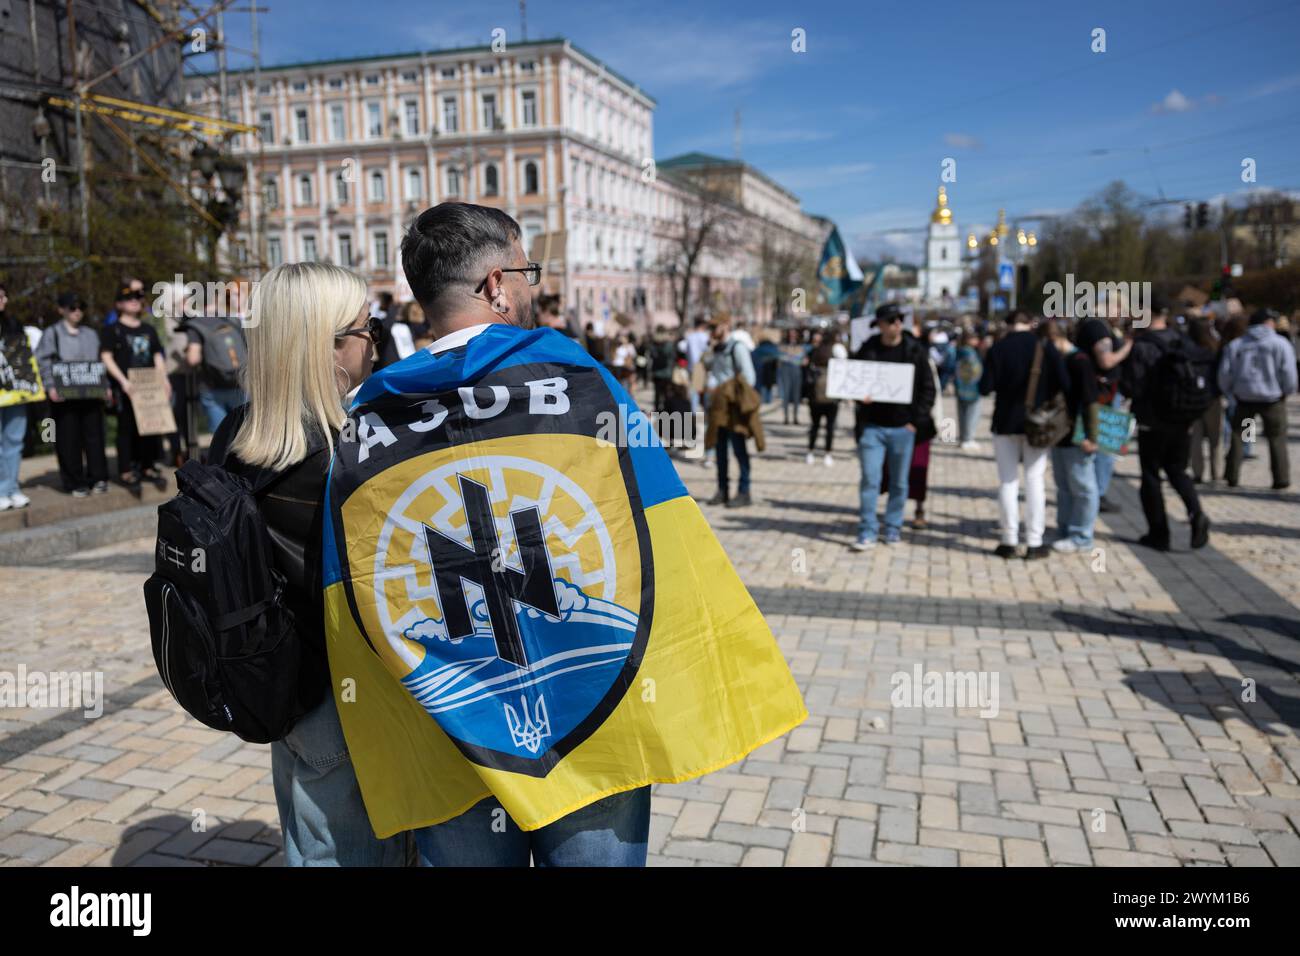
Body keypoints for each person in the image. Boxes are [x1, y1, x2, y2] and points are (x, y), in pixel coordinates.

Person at [394, 201, 653, 865]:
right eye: (527, 269)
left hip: (448, 722)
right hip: (588, 710)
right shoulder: (580, 383)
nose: (534, 284)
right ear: (495, 287)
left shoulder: (374, 414)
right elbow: (654, 533)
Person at [206, 261, 403, 866]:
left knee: (306, 834)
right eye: (367, 330)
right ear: (330, 346)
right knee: (350, 852)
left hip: (277, 675)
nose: (377, 344)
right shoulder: (359, 442)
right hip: (353, 685)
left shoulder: (238, 432)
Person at [1120, 296, 1211, 551]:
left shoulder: (1143, 346)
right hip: (1182, 417)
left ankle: (1159, 533)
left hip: (1153, 419)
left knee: (1150, 476)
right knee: (1177, 470)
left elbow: (1132, 386)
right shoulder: (1181, 340)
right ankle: (1196, 513)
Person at [978, 309, 1066, 559]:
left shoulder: (998, 349)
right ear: (1029, 323)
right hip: (1038, 424)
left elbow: (985, 388)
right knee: (1035, 479)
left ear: (1007, 324)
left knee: (1007, 481)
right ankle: (1035, 542)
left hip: (1005, 422)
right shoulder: (1043, 347)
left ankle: (1008, 540)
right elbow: (1064, 382)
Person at [851, 303, 935, 550]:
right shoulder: (868, 349)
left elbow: (928, 389)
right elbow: (852, 379)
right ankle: (867, 530)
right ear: (880, 325)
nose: (897, 323)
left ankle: (893, 528)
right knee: (870, 479)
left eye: (900, 319)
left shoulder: (914, 351)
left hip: (902, 427)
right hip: (872, 426)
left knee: (899, 482)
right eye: (891, 320)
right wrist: (859, 396)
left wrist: (914, 422)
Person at [34, 293, 110, 497]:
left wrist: (106, 386)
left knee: (94, 437)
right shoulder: (52, 333)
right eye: (72, 307)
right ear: (61, 310)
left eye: (81, 307)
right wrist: (50, 386)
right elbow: (42, 361)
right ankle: (74, 481)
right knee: (68, 438)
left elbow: (100, 364)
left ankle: (98, 477)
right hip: (65, 395)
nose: (77, 311)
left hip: (91, 394)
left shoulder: (91, 334)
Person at [100, 283, 170, 488]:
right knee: (126, 429)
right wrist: (122, 381)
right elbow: (106, 356)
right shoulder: (112, 330)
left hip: (149, 386)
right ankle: (126, 470)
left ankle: (147, 466)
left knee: (150, 428)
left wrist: (163, 379)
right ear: (119, 304)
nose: (134, 301)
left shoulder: (148, 328)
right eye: (129, 297)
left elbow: (157, 355)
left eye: (138, 297)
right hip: (126, 387)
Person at [1219, 308, 1297, 491]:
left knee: (1240, 435)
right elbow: (1288, 372)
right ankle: (1281, 478)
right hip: (1272, 398)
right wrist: (1287, 391)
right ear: (1268, 322)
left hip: (1245, 398)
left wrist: (1230, 392)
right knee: (1276, 438)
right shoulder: (1280, 343)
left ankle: (1232, 475)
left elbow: (1225, 373)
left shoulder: (1237, 344)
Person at [1044, 320, 1100, 553]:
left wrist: (1091, 436)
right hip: (1060, 434)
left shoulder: (1080, 362)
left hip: (1077, 435)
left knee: (1083, 486)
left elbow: (1090, 402)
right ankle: (1066, 527)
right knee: (1064, 485)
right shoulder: (1061, 360)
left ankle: (1081, 535)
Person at [1075, 309, 1132, 513]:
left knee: (1104, 448)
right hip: (1105, 396)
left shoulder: (1099, 326)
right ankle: (1097, 494)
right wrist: (1127, 347)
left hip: (1104, 394)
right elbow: (1106, 360)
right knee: (1105, 449)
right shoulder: (1098, 328)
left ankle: (1095, 493)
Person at [703, 315, 759, 508]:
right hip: (718, 409)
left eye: (714, 326)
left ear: (725, 325)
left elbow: (750, 378)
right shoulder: (716, 348)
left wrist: (729, 391)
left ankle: (744, 491)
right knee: (719, 451)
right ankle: (722, 490)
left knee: (739, 450)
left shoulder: (737, 348)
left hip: (733, 408)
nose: (711, 331)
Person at [0, 282, 39, 511]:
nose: (1, 300)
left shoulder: (13, 324)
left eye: (3, 296)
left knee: (14, 440)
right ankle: (2, 489)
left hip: (15, 393)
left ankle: (12, 487)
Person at [183, 301, 248, 434]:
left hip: (212, 388)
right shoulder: (233, 321)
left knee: (221, 433)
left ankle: (223, 455)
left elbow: (193, 359)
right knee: (243, 431)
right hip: (240, 384)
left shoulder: (196, 325)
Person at [1187, 317, 1223, 484]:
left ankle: (1198, 472)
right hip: (1213, 398)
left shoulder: (1186, 349)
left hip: (1192, 398)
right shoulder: (1215, 349)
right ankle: (1217, 472)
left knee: (1196, 438)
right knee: (1216, 438)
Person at [805, 330, 846, 466]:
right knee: (830, 427)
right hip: (832, 396)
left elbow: (806, 369)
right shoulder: (836, 350)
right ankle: (827, 454)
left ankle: (810, 452)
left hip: (815, 396)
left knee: (815, 425)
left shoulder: (815, 351)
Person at [954, 329, 984, 449]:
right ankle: (968, 438)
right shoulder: (970, 353)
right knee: (972, 414)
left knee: (962, 413)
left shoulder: (959, 351)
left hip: (960, 386)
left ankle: (963, 437)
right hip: (972, 387)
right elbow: (976, 370)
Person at [776, 328, 804, 425]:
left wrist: (792, 357)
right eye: (790, 333)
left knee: (796, 395)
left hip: (796, 370)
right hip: (785, 370)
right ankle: (786, 417)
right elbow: (780, 357)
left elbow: (802, 359)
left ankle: (795, 417)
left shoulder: (800, 345)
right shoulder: (783, 345)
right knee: (786, 394)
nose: (792, 335)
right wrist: (793, 357)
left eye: (794, 333)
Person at [648, 325, 676, 413]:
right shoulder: (669, 344)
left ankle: (656, 410)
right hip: (667, 372)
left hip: (656, 372)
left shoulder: (653, 343)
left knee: (657, 392)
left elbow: (651, 356)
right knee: (666, 393)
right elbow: (673, 357)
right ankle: (666, 410)